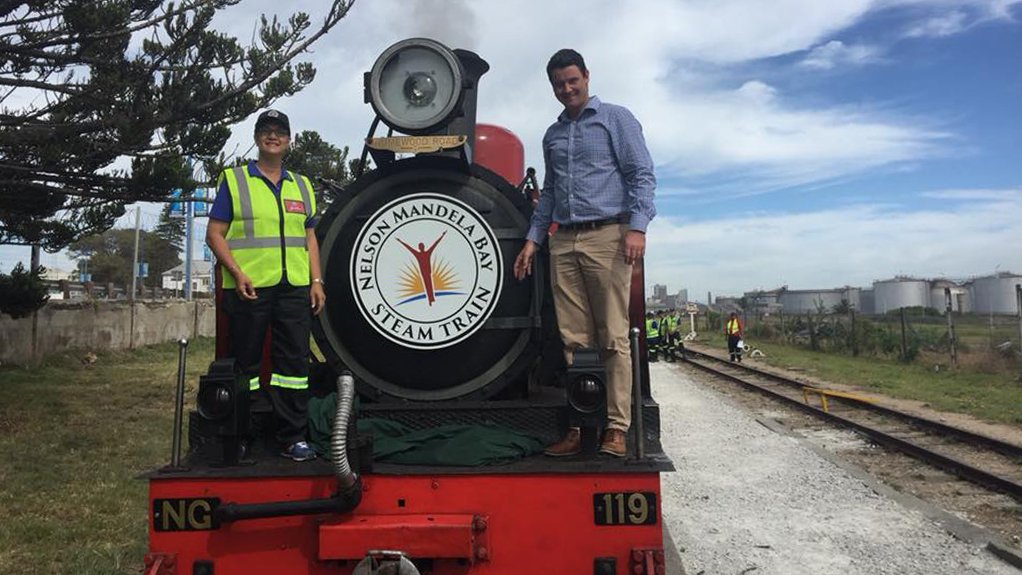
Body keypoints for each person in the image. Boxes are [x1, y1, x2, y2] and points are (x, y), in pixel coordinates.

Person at [513, 48, 656, 458]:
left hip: (608, 236)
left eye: (572, 80)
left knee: (612, 336)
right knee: (573, 341)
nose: (567, 88)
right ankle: (579, 425)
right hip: (563, 241)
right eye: (559, 83)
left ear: (587, 77)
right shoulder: (552, 135)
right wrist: (532, 239)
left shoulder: (616, 119)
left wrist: (637, 228)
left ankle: (616, 428)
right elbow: (552, 194)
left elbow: (641, 175)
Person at [205, 109, 325, 462]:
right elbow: (215, 234)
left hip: (293, 288)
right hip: (250, 286)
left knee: (294, 366)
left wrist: (315, 281)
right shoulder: (235, 180)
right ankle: (243, 435)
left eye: (280, 132)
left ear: (289, 141)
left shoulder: (302, 185)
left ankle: (292, 437)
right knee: (246, 366)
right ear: (257, 138)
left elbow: (310, 238)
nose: (273, 136)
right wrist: (237, 272)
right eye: (266, 130)